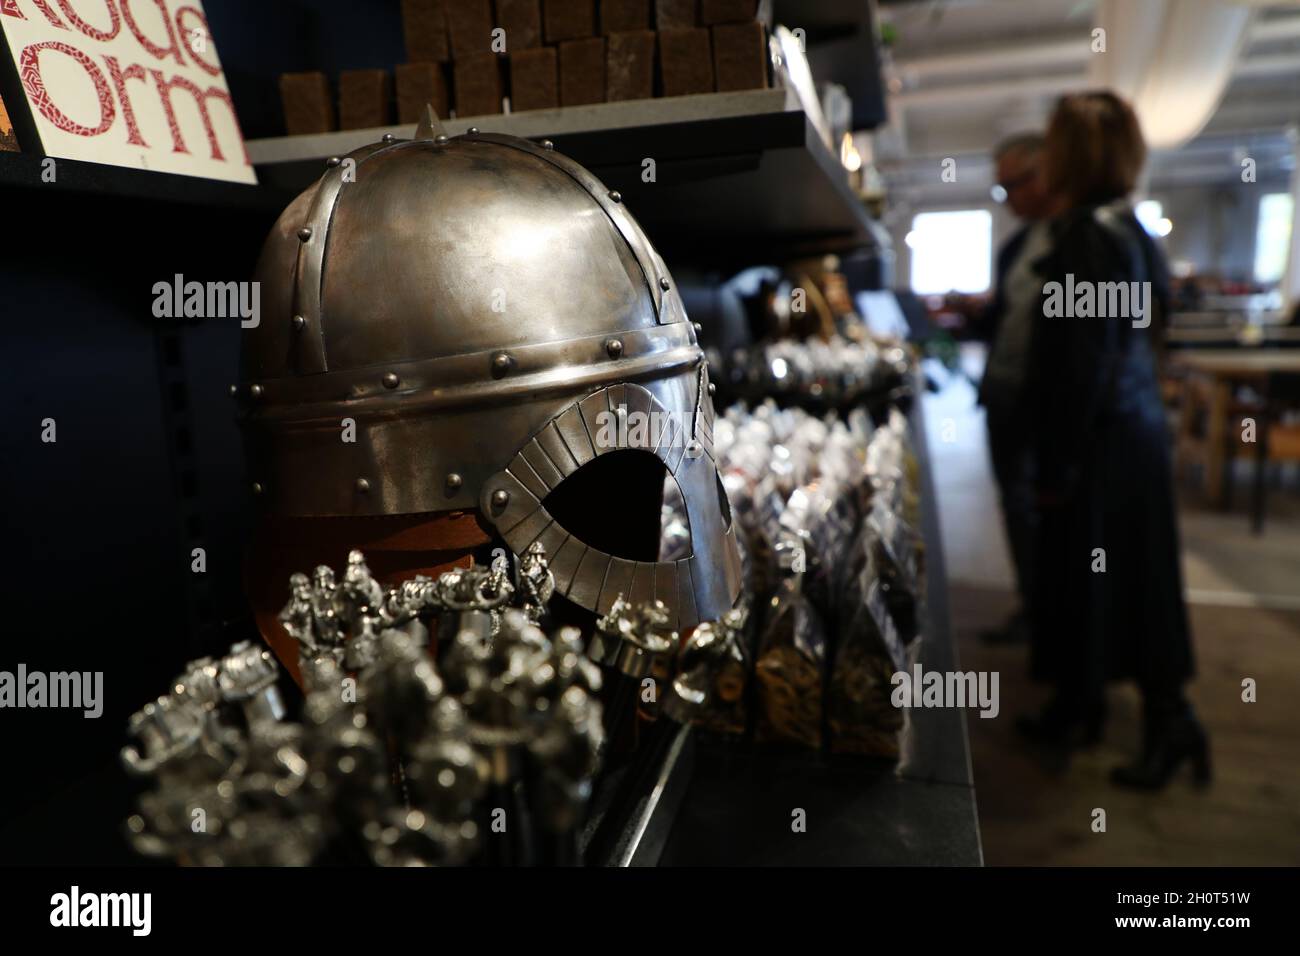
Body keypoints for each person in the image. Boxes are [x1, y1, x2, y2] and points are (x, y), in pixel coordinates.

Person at [1018, 91, 1208, 791]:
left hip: (1101, 440)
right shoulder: (1129, 227)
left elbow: (1083, 360)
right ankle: (1082, 704)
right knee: (1121, 576)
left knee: (1110, 576)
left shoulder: (1086, 235)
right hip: (1133, 428)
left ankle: (1169, 721)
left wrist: (1057, 461)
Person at [978, 133, 1053, 645]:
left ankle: (1055, 619)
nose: (1012, 198)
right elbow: (1005, 320)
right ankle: (1035, 606)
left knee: (1045, 512)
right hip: (1005, 397)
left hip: (1044, 404)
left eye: (1016, 184)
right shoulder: (1017, 247)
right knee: (1016, 508)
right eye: (1003, 189)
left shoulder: (1076, 240)